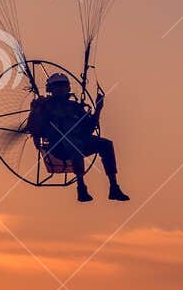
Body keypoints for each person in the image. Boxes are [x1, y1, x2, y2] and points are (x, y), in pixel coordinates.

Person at [26, 72, 128, 202]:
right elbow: (34, 129)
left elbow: (89, 129)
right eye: (57, 86)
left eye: (63, 85)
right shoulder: (44, 106)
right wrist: (35, 110)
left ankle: (114, 187)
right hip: (58, 148)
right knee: (73, 143)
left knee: (106, 144)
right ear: (50, 89)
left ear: (68, 88)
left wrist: (98, 109)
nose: (61, 89)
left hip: (80, 142)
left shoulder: (75, 107)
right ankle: (81, 188)